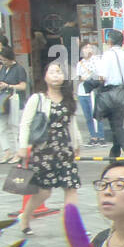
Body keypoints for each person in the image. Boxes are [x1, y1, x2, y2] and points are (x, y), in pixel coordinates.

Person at [17, 61, 82, 236]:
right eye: (52, 71)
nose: (56, 75)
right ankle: (25, 217)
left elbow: (72, 123)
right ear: (45, 77)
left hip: (65, 150)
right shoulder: (38, 99)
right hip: (44, 150)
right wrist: (22, 146)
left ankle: (73, 226)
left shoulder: (69, 99)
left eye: (59, 72)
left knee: (71, 187)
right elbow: (25, 123)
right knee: (44, 192)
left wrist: (77, 143)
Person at [94, 30, 124, 159]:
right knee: (117, 124)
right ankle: (114, 155)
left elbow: (102, 77)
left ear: (109, 41)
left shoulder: (107, 56)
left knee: (117, 127)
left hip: (111, 93)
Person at [0, 44, 27, 164]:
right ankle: (7, 151)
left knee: (15, 126)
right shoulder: (3, 68)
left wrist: (8, 86)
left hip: (14, 98)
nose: (2, 62)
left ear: (10, 58)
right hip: (2, 99)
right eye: (1, 59)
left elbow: (23, 86)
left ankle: (18, 153)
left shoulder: (19, 69)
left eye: (4, 59)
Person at [74, 43, 106, 145]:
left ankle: (101, 136)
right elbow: (78, 78)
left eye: (90, 47)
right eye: (86, 48)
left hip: (94, 91)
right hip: (82, 92)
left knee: (97, 114)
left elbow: (101, 76)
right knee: (88, 116)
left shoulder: (97, 60)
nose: (88, 49)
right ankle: (93, 136)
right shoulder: (80, 63)